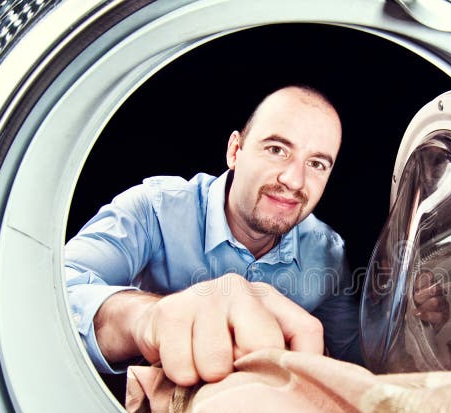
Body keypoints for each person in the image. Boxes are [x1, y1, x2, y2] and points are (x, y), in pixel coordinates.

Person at [65, 85, 362, 386]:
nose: (294, 180)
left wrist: (395, 315)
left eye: (316, 164)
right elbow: (58, 289)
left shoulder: (328, 252)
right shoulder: (154, 209)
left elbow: (355, 355)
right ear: (235, 151)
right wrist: (151, 319)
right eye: (276, 150)